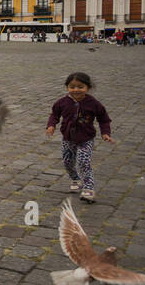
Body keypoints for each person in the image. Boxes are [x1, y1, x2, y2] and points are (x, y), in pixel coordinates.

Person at [46, 71, 112, 203]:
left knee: (83, 162)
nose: (76, 90)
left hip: (86, 139)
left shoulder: (93, 103)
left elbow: (103, 119)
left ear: (88, 88)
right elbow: (54, 114)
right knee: (67, 162)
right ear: (67, 87)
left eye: (80, 87)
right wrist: (51, 125)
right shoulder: (62, 102)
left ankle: (88, 188)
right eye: (72, 87)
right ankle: (75, 178)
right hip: (68, 138)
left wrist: (105, 133)